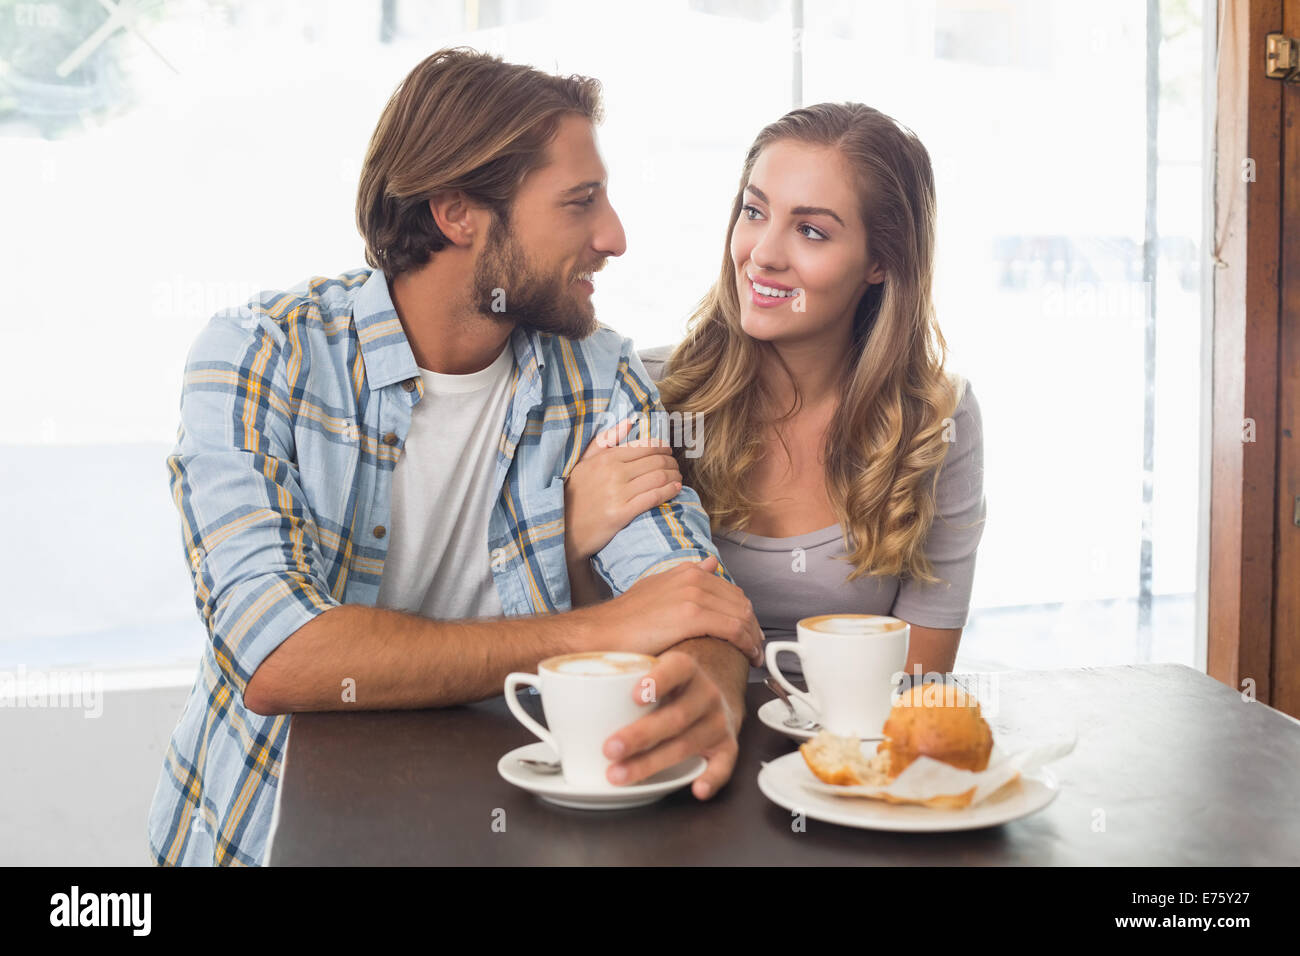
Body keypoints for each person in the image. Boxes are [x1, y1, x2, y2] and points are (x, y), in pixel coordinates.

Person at [148, 48, 764, 867]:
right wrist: (597, 630)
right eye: (580, 203)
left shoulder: (598, 373)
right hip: (273, 833)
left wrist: (709, 685)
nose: (613, 237)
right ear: (456, 212)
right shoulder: (263, 358)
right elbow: (280, 655)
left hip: (513, 829)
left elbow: (689, 591)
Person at [563, 103, 986, 682]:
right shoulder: (649, 392)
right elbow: (587, 645)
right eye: (754, 212)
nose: (763, 253)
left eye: (811, 230)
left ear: (881, 262)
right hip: (669, 738)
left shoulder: (935, 420)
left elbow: (917, 683)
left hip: (849, 753)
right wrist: (568, 535)